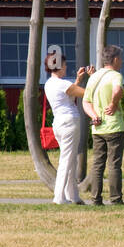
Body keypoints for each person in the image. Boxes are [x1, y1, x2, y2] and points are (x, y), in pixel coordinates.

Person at [44, 47, 92, 205]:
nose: (66, 67)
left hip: (59, 122)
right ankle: (59, 197)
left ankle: (73, 196)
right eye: (64, 65)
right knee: (66, 160)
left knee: (71, 160)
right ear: (58, 66)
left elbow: (69, 95)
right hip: (69, 122)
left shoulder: (49, 84)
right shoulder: (62, 83)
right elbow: (85, 93)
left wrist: (77, 80)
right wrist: (92, 78)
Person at [83, 44, 124, 206]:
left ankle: (96, 198)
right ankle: (115, 199)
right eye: (120, 59)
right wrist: (114, 103)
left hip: (97, 127)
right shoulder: (116, 75)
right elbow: (117, 90)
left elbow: (86, 101)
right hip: (114, 126)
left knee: (97, 164)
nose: (121, 62)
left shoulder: (94, 77)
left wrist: (94, 116)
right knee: (114, 164)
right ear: (115, 59)